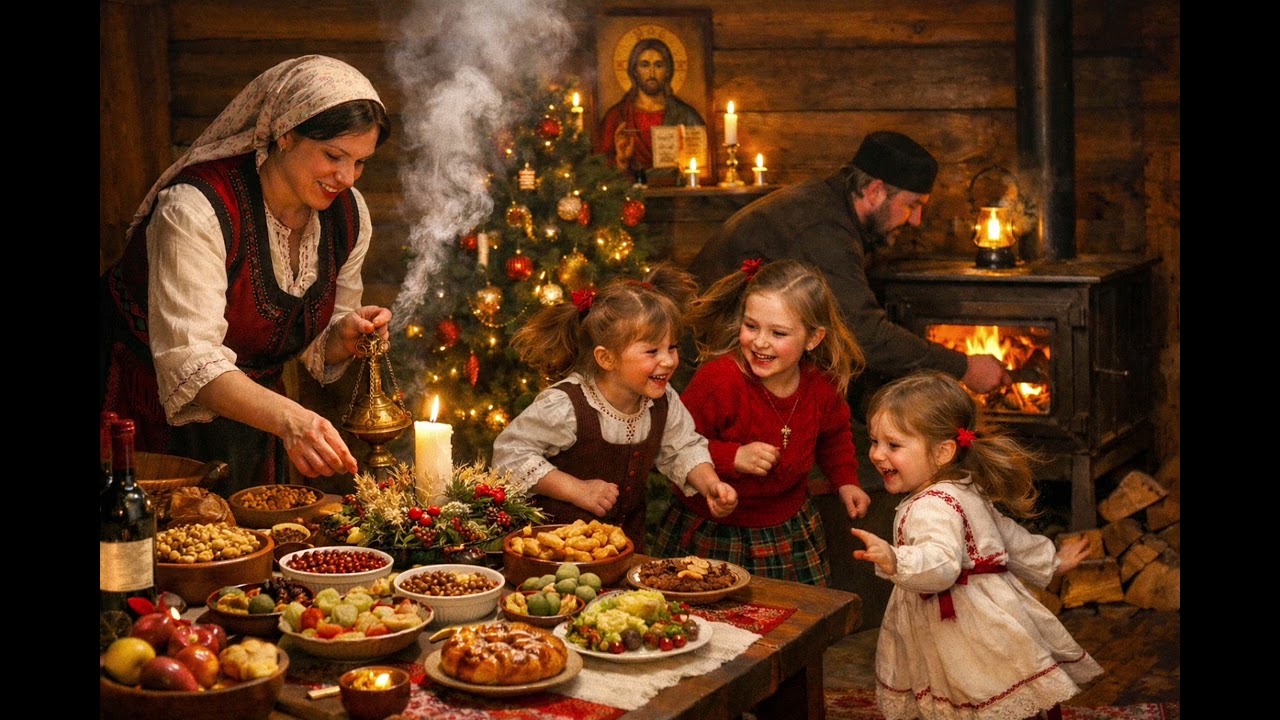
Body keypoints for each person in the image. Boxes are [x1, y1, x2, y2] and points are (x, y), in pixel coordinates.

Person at [100, 55, 394, 496]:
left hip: (252, 425)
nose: (346, 178)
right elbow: (190, 360)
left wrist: (342, 337)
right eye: (333, 156)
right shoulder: (196, 208)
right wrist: (292, 420)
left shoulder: (348, 216)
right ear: (286, 135)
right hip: (140, 421)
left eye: (360, 162)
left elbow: (316, 332)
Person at [849, 370, 1102, 720]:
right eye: (875, 441)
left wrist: (896, 560)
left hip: (960, 625)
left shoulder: (930, 505)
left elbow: (941, 564)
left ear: (943, 452)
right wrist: (1052, 562)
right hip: (990, 613)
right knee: (996, 688)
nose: (877, 455)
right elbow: (1008, 538)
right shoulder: (963, 488)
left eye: (893, 445)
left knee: (971, 688)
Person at [688, 130, 1012, 402]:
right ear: (875, 192)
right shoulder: (823, 231)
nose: (916, 220)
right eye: (912, 205)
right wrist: (965, 367)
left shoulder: (829, 206)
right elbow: (863, 334)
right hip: (711, 369)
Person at [650, 258, 872, 585]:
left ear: (813, 338)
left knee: (790, 620)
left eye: (778, 333)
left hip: (789, 529)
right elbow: (672, 444)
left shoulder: (820, 388)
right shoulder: (719, 382)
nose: (760, 342)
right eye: (751, 326)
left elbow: (835, 436)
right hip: (715, 532)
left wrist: (846, 480)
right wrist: (732, 458)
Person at [490, 265, 738, 552]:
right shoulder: (568, 405)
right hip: (556, 553)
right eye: (652, 351)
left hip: (626, 548)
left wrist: (711, 485)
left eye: (672, 347)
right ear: (606, 359)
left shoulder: (662, 400)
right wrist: (576, 489)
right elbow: (510, 454)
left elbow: (683, 447)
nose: (669, 361)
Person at [595, 37, 707, 181]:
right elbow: (599, 169)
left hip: (678, 198)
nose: (652, 74)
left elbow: (703, 166)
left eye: (659, 65)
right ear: (634, 70)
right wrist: (621, 161)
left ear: (668, 71)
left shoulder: (686, 116)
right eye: (645, 65)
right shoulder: (617, 116)